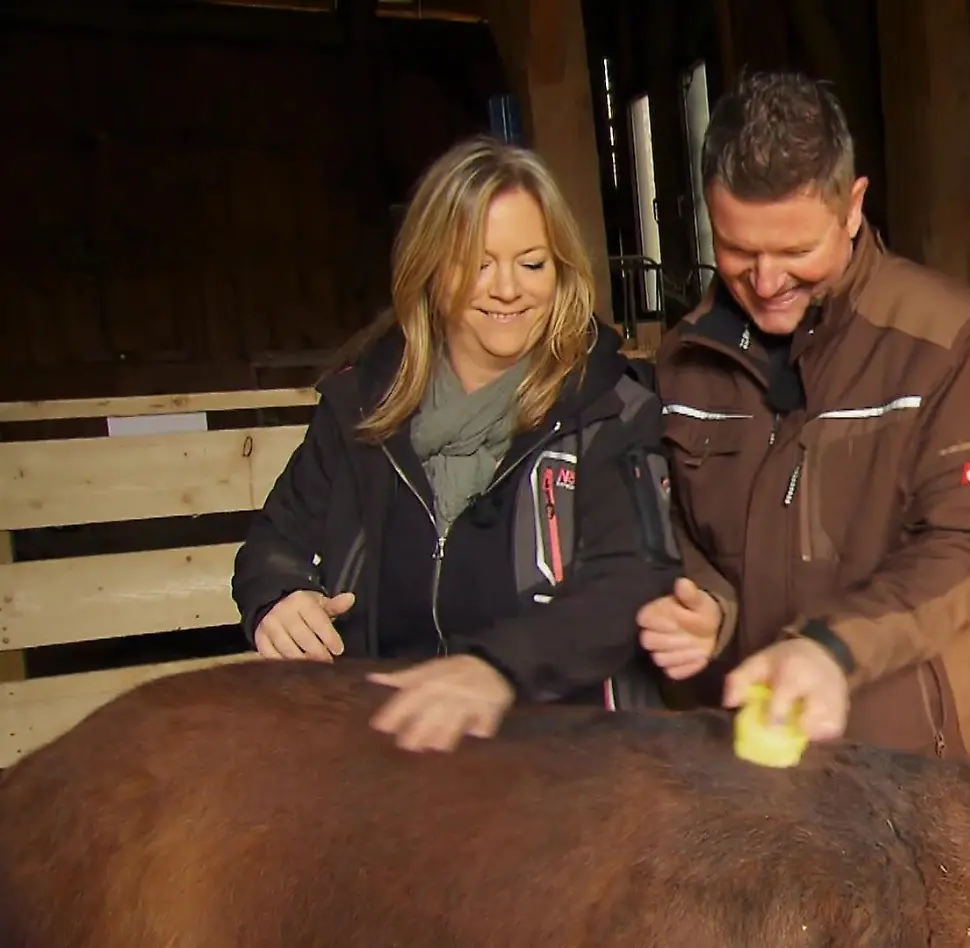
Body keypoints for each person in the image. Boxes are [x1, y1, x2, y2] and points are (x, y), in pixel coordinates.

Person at [232, 135, 682, 753]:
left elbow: (632, 583)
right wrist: (278, 597)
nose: (508, 289)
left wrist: (497, 667)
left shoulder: (611, 409)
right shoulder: (361, 406)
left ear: (561, 272)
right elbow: (274, 542)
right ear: (431, 268)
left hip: (566, 758)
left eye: (532, 264)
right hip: (393, 744)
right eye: (478, 263)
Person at [636, 71, 970, 759]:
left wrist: (833, 649)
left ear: (852, 208)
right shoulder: (685, 361)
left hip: (918, 764)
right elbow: (689, 534)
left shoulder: (948, 341)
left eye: (796, 252)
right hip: (755, 757)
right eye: (738, 251)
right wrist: (707, 605)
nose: (767, 282)